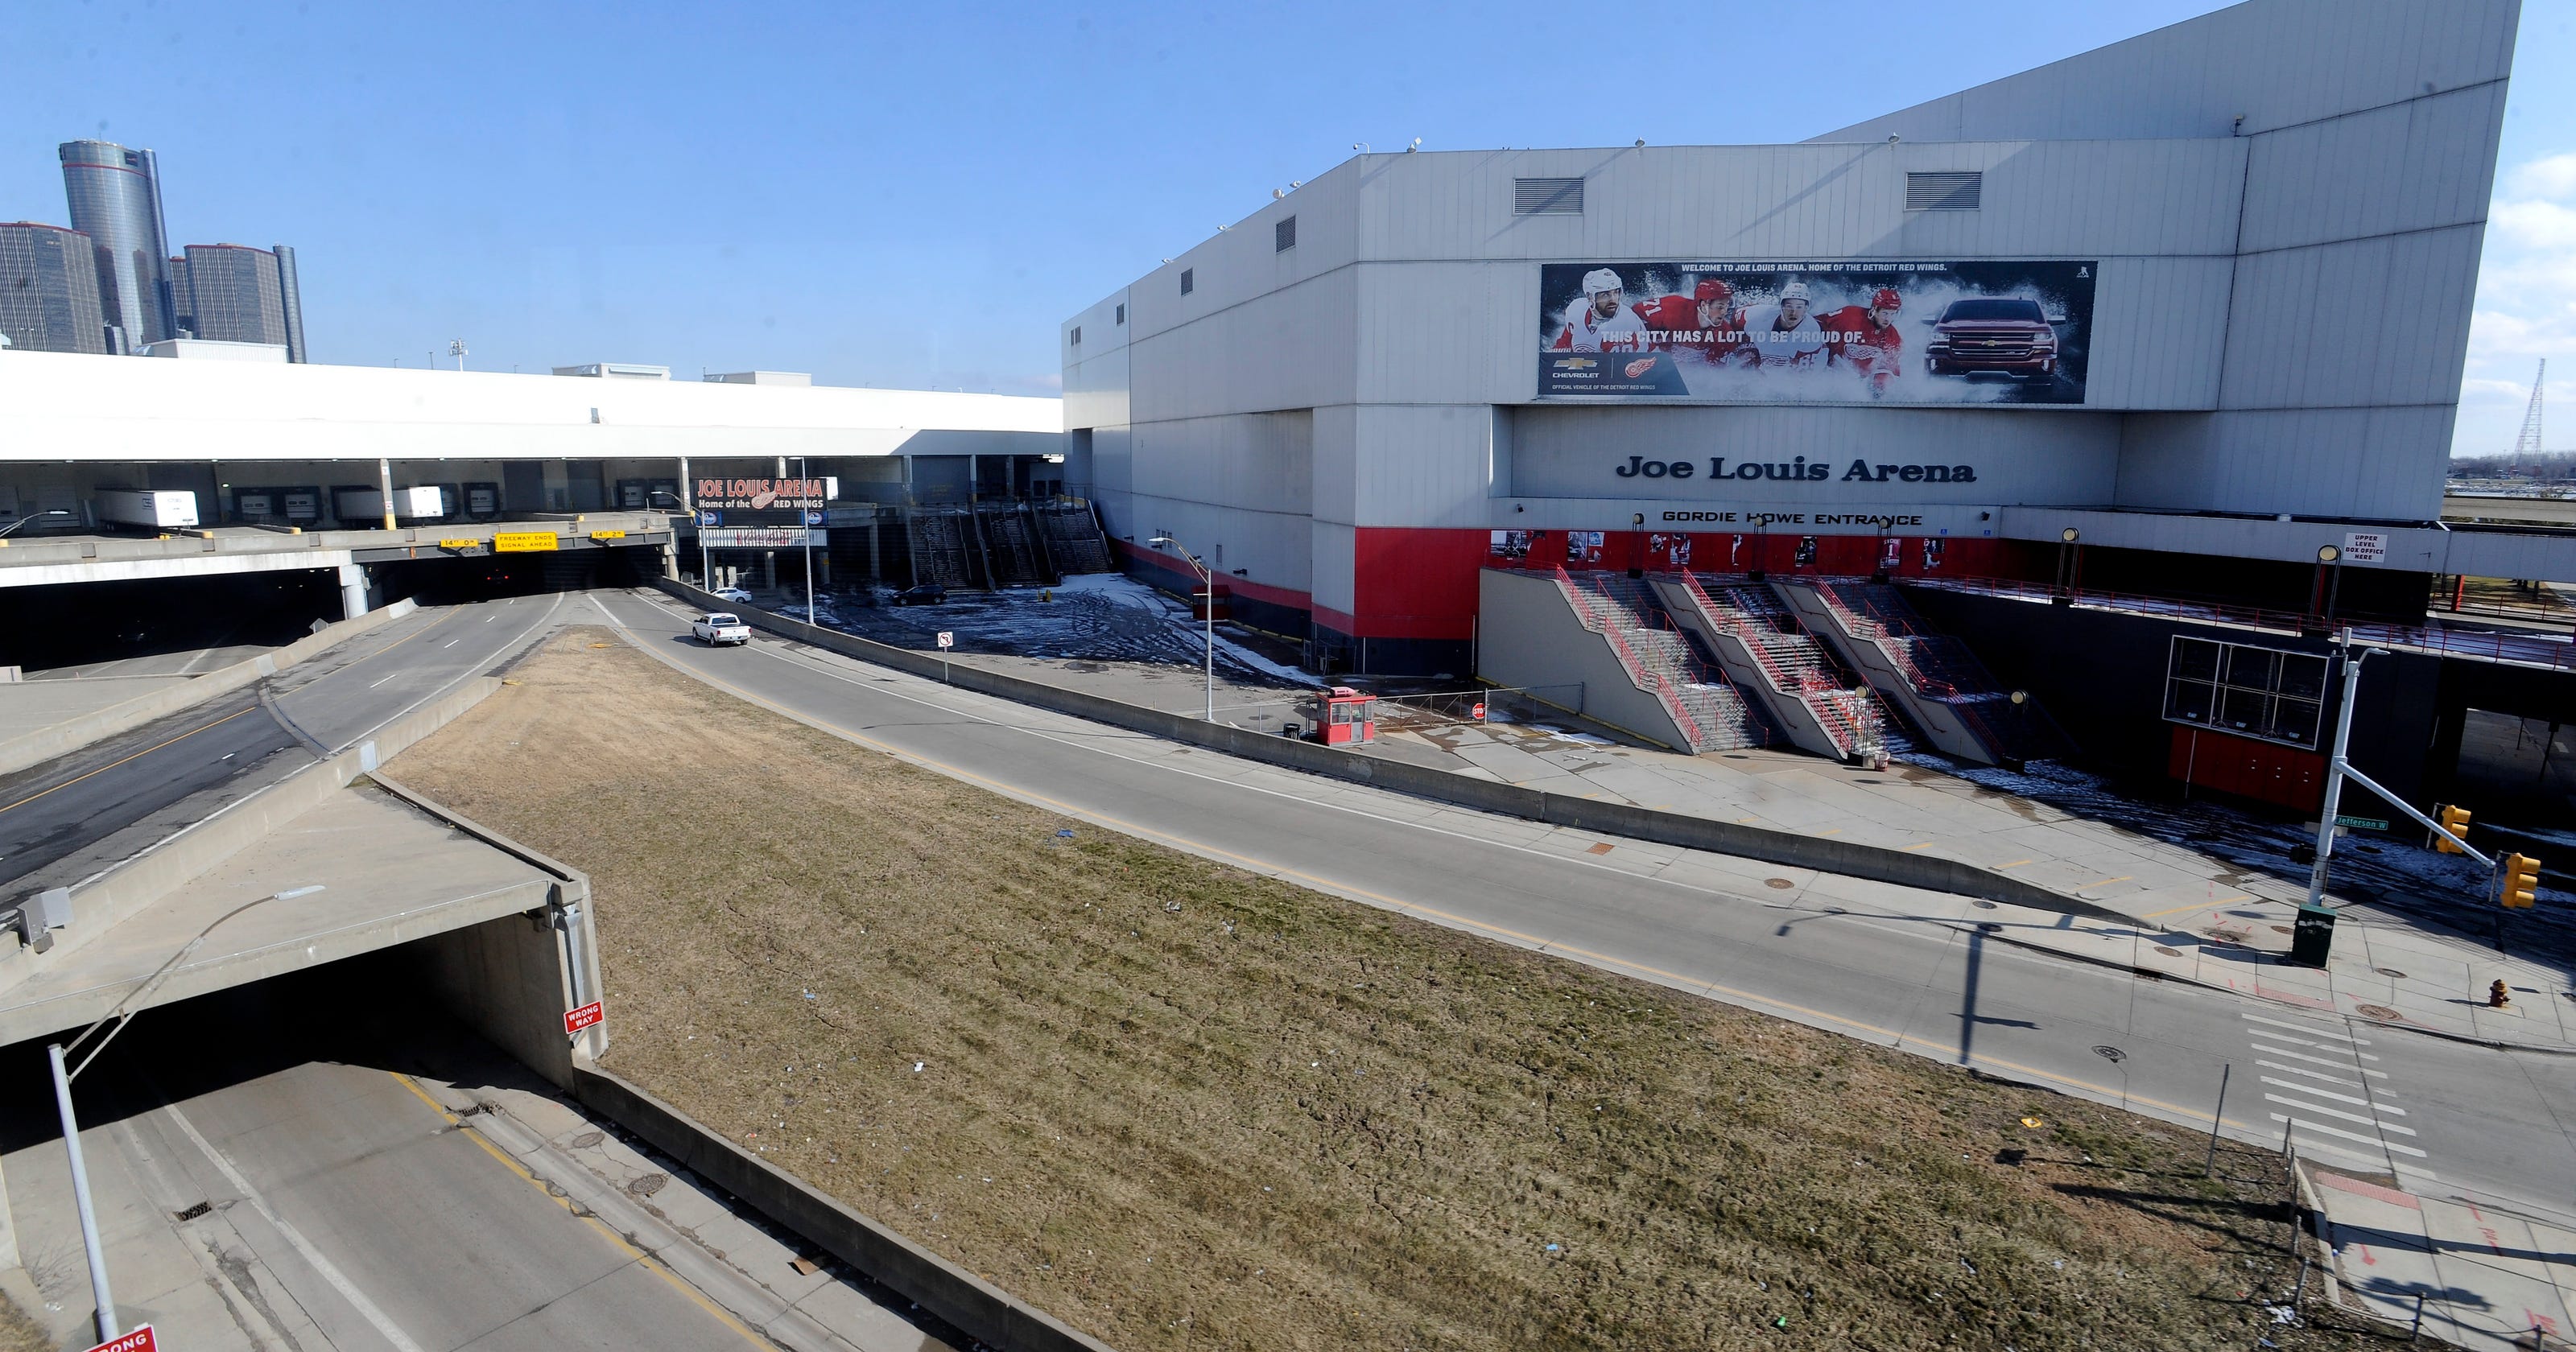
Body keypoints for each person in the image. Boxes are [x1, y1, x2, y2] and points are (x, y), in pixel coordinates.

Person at [1632, 278, 1740, 364]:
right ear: (1703, 305)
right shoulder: (1672, 309)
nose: (1724, 312)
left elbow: (1713, 372)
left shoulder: (1725, 336)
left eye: (1726, 307)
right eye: (1720, 307)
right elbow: (1634, 318)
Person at [1820, 287, 1906, 395]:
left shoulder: (1893, 337)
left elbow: (1891, 370)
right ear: (1874, 310)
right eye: (1885, 313)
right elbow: (1817, 323)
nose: (1888, 319)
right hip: (1828, 370)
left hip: (1858, 382)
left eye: (1892, 314)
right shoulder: (1849, 315)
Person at [1736, 280, 1829, 369]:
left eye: (1799, 307)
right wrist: (1744, 346)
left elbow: (1801, 376)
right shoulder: (1759, 315)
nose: (1793, 312)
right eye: (1789, 306)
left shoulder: (1811, 332)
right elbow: (1736, 320)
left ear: (1806, 309)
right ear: (1781, 306)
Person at [1551, 268, 1647, 352]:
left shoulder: (1625, 322)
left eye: (1616, 292)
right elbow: (1563, 345)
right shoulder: (1577, 309)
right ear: (1590, 297)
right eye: (1606, 294)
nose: (1613, 300)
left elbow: (1616, 364)